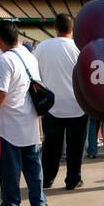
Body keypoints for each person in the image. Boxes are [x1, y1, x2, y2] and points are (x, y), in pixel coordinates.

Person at [0, 19, 46, 206]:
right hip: (29, 118)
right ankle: (38, 202)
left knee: (10, 169)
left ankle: (11, 204)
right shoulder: (29, 56)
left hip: (9, 123)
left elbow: (0, 94)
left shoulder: (4, 60)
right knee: (33, 165)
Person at [35, 13, 86, 191]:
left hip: (51, 105)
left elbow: (35, 75)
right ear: (72, 29)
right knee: (75, 147)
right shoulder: (79, 48)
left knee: (51, 146)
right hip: (77, 105)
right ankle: (73, 179)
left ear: (55, 28)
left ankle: (47, 179)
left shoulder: (42, 47)